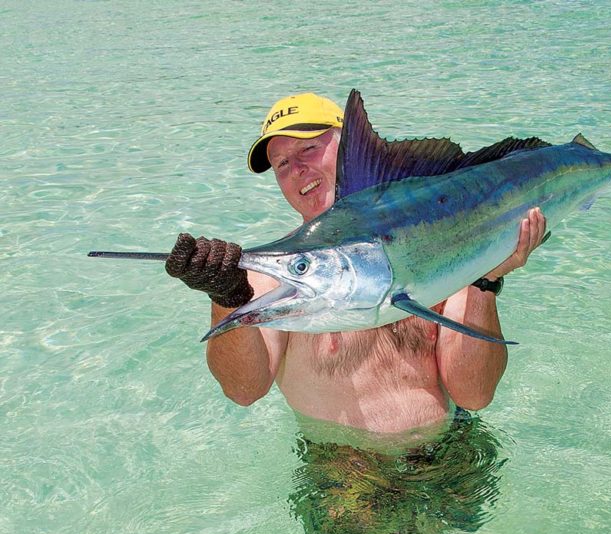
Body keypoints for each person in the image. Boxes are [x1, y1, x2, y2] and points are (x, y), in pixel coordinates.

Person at [165, 93, 547, 434]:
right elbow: (243, 390)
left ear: (347, 148)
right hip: (340, 484)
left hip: (444, 462)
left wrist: (488, 280)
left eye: (309, 149)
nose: (297, 170)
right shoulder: (268, 282)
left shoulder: (441, 249)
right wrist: (226, 297)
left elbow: (475, 394)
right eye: (281, 164)